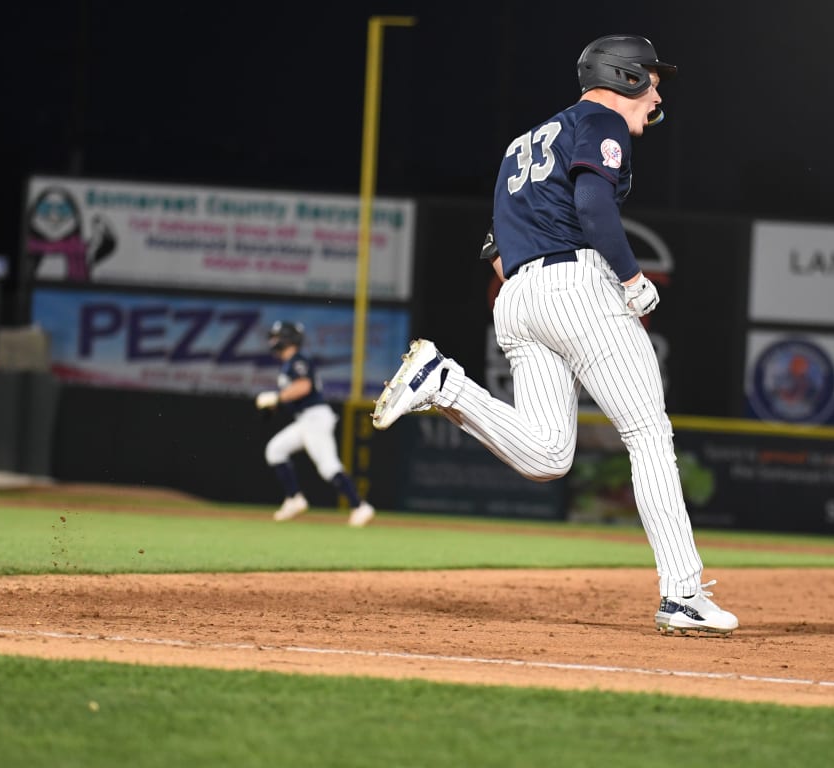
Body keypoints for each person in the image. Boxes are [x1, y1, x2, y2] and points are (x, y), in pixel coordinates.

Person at [371, 35, 737, 636]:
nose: (657, 93)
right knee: (648, 433)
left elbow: (494, 246)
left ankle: (444, 383)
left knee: (546, 456)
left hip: (516, 295)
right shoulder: (601, 121)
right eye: (650, 79)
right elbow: (593, 205)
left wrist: (534, 287)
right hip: (576, 283)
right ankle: (683, 594)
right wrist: (630, 278)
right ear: (623, 77)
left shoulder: (523, 143)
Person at [256, 321, 376, 527]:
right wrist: (274, 406)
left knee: (328, 467)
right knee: (275, 450)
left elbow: (303, 386)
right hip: (305, 419)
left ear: (287, 338)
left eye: (277, 336)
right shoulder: (289, 364)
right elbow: (294, 395)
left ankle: (360, 506)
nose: (273, 341)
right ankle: (294, 499)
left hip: (315, 419)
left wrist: (277, 398)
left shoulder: (298, 360)